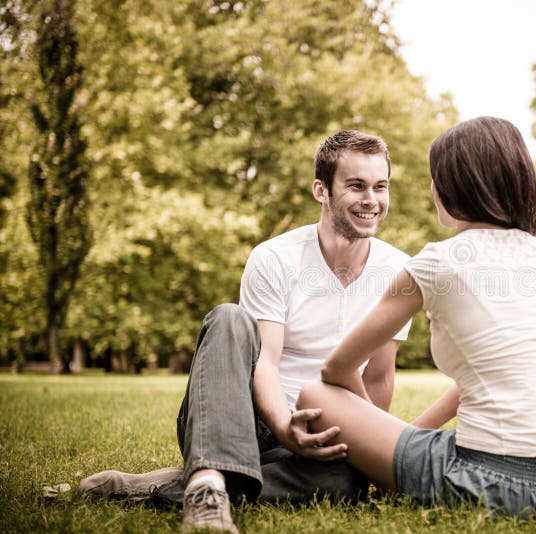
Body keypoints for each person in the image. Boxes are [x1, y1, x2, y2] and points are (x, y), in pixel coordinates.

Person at [78, 130, 412, 533]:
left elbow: (379, 376)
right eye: (356, 185)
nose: (371, 199)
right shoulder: (275, 258)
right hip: (243, 416)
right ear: (321, 190)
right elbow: (265, 364)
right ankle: (208, 484)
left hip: (324, 427)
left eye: (380, 186)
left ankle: (196, 480)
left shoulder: (398, 272)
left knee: (345, 481)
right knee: (229, 318)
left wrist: (370, 451)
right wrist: (285, 429)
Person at [297, 117, 536, 517]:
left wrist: (380, 441)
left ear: (452, 186)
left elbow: (337, 369)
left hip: (489, 482)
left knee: (315, 394)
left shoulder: (437, 262)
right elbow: (488, 376)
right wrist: (402, 438)